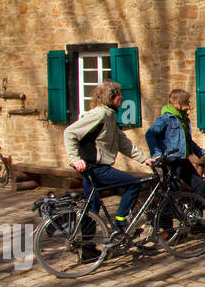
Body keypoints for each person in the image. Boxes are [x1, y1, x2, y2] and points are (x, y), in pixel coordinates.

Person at [63, 80, 157, 257]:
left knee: (91, 209)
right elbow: (70, 133)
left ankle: (88, 251)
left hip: (95, 168)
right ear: (111, 97)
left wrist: (144, 159)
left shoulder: (110, 117)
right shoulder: (99, 115)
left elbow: (123, 143)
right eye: (119, 95)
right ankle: (119, 224)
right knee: (133, 184)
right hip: (96, 168)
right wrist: (75, 159)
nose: (121, 97)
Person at [145, 89, 205, 203]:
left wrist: (201, 151)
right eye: (187, 101)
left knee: (199, 186)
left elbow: (187, 140)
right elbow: (150, 134)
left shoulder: (183, 119)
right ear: (179, 102)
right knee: (173, 192)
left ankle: (194, 217)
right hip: (171, 161)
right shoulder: (166, 118)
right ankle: (164, 220)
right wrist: (157, 154)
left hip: (182, 160)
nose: (189, 103)